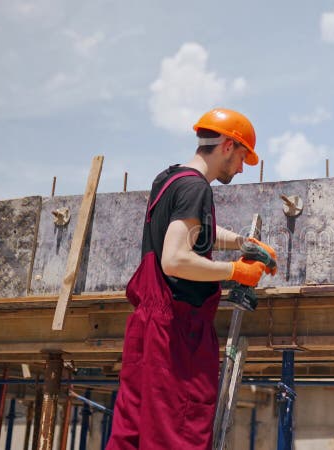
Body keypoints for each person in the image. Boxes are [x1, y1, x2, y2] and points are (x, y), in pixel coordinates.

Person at [108, 108, 277, 450]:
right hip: (176, 334)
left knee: (133, 434)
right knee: (176, 434)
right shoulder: (196, 189)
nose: (242, 168)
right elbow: (175, 259)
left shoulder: (169, 180)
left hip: (148, 327)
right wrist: (236, 271)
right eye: (243, 156)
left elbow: (192, 234)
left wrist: (242, 244)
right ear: (227, 146)